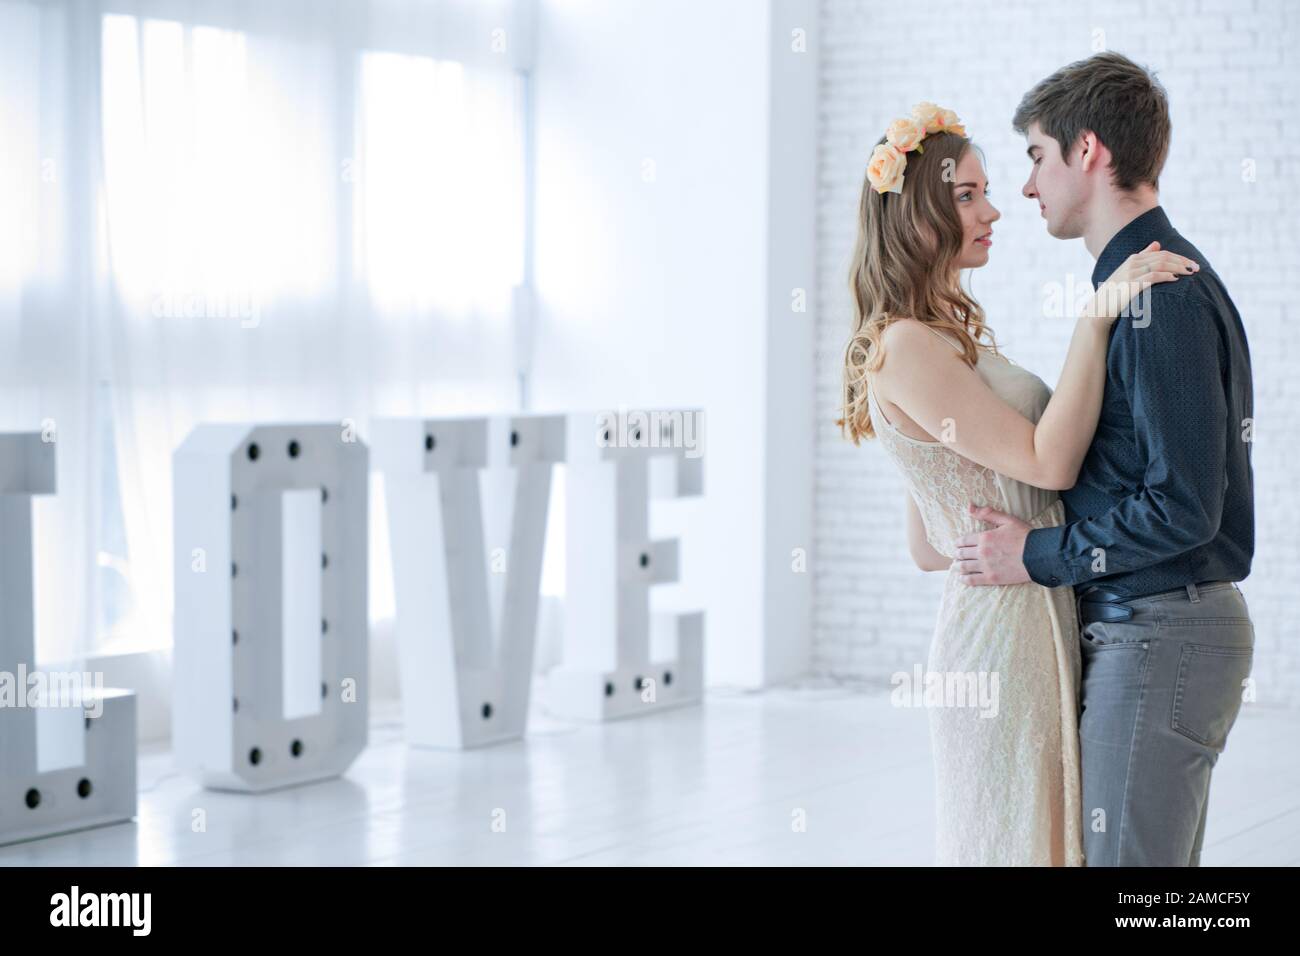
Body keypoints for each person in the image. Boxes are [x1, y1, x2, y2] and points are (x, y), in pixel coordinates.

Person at [837, 98, 1197, 865]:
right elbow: (1049, 464)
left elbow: (931, 548)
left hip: (1017, 619)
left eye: (987, 189)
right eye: (967, 196)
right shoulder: (907, 347)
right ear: (916, 215)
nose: (995, 209)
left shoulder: (935, 339)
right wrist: (1095, 317)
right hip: (1000, 644)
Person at [954, 52, 1256, 867]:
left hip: (1161, 629)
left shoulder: (1158, 296)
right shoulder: (1139, 288)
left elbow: (1185, 507)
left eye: (1036, 157)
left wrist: (1033, 555)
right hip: (1159, 630)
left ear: (1089, 151)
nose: (1025, 187)